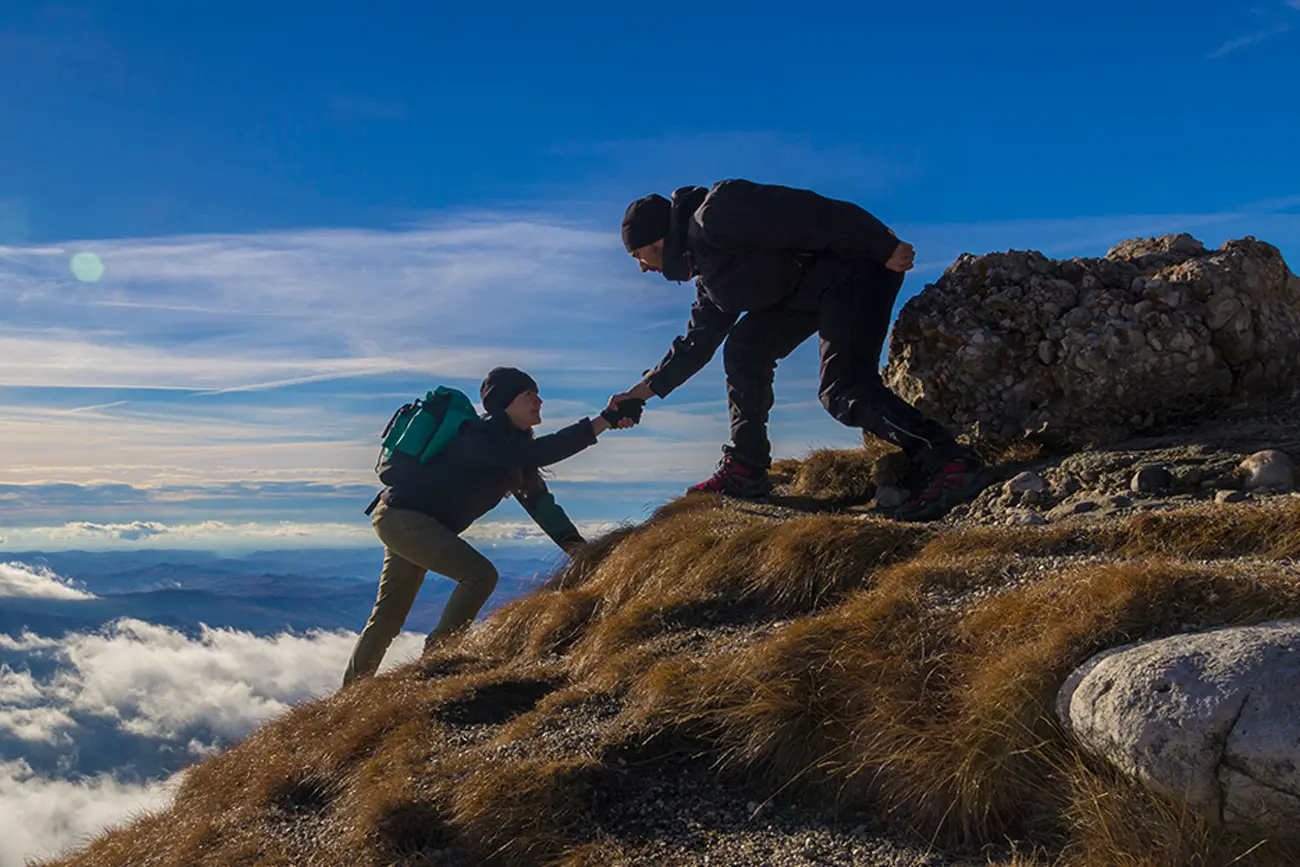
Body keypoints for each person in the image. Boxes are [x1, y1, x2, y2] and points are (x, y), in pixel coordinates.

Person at [609, 179, 985, 522]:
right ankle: (747, 468)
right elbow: (695, 345)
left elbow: (811, 212)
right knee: (744, 348)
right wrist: (638, 394)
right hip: (812, 289)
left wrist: (881, 245)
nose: (641, 267)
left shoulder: (718, 212)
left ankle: (951, 462)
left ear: (657, 239)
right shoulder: (709, 276)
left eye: (636, 255)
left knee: (843, 390)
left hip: (859, 270)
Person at [342, 367, 638, 685]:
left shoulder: (513, 451)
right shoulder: (480, 438)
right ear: (506, 402)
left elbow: (542, 507)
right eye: (529, 394)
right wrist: (604, 420)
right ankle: (435, 662)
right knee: (480, 576)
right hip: (403, 519)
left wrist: (580, 552)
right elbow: (543, 452)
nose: (539, 401)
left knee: (387, 617)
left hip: (406, 520)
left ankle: (351, 694)